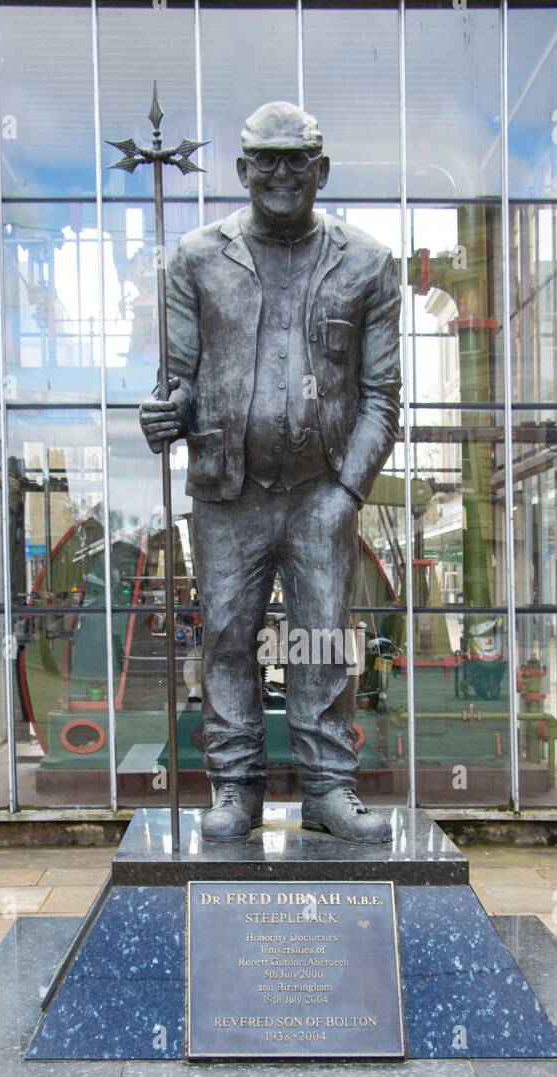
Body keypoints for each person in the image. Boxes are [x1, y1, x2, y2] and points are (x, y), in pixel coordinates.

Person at [140, 101, 401, 842]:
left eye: (297, 161)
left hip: (323, 490)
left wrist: (346, 491)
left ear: (320, 170)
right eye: (267, 160)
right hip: (229, 493)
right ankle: (234, 791)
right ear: (242, 170)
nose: (282, 174)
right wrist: (165, 414)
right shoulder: (192, 259)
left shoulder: (367, 262)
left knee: (322, 638)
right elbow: (178, 379)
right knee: (226, 637)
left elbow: (382, 399)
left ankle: (326, 790)